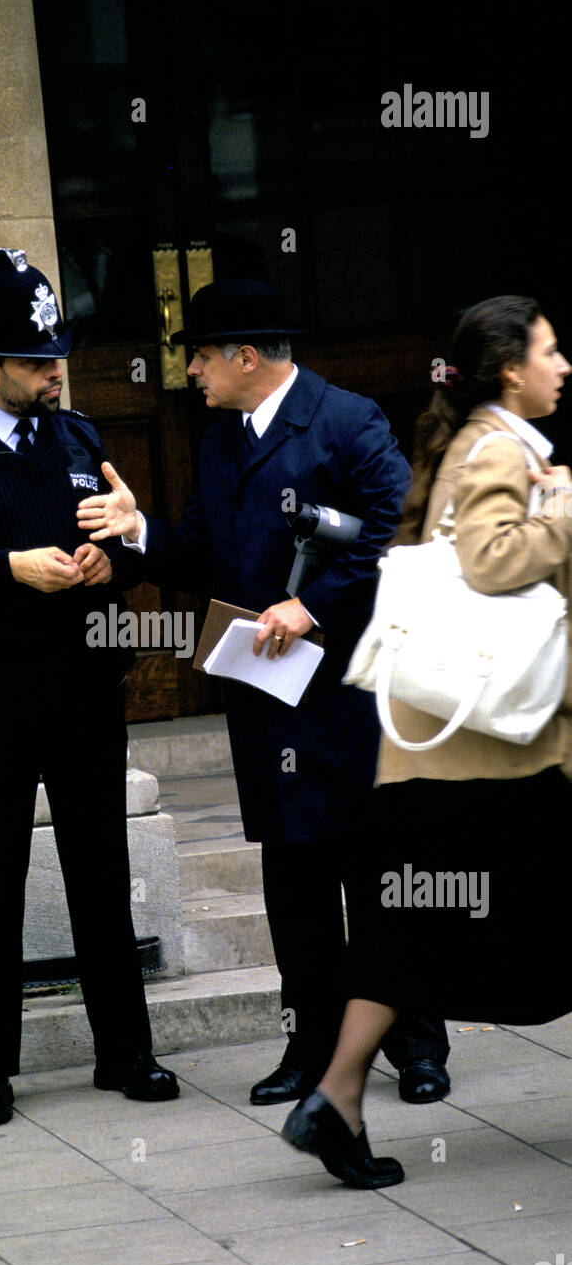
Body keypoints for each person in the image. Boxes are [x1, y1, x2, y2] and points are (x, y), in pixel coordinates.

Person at [76, 277, 450, 1105]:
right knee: (293, 877)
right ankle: (309, 1045)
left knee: (374, 870)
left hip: (350, 691)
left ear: (246, 356)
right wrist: (135, 530)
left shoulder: (347, 420)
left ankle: (415, 1043)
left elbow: (394, 530)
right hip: (265, 694)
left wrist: (308, 606)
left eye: (200, 357)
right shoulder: (218, 442)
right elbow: (199, 550)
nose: (193, 375)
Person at [0, 249, 179, 1126]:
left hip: (84, 692)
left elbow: (127, 547)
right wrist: (8, 568)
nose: (56, 374)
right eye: (37, 363)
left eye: (59, 359)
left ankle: (125, 1053)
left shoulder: (82, 439)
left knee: (101, 876)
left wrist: (107, 563)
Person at [282, 294, 572, 1187]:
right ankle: (333, 1097)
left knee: (409, 923)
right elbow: (490, 561)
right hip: (488, 749)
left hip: (459, 746)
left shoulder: (483, 442)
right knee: (413, 922)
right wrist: (564, 509)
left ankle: (333, 1098)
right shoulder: (495, 447)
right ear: (508, 370)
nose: (563, 367)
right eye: (550, 352)